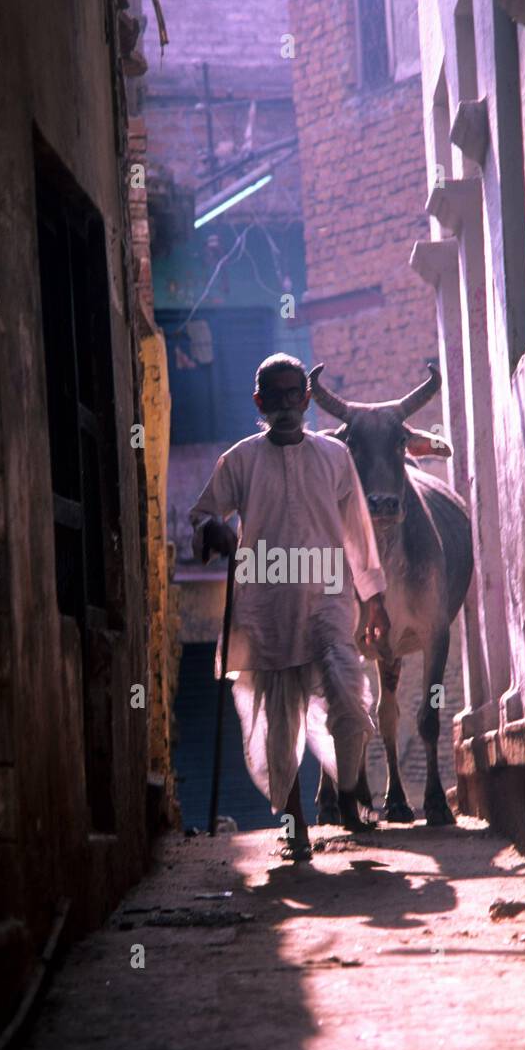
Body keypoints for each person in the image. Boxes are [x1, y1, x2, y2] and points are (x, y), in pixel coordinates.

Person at [189, 352, 391, 861]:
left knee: (350, 700)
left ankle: (346, 793)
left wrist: (375, 601)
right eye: (273, 396)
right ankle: (295, 825)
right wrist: (213, 531)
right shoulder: (239, 460)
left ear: (306, 398)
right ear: (259, 401)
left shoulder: (333, 458)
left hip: (327, 600)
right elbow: (203, 516)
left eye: (292, 395)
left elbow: (358, 536)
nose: (285, 405)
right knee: (279, 728)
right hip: (266, 608)